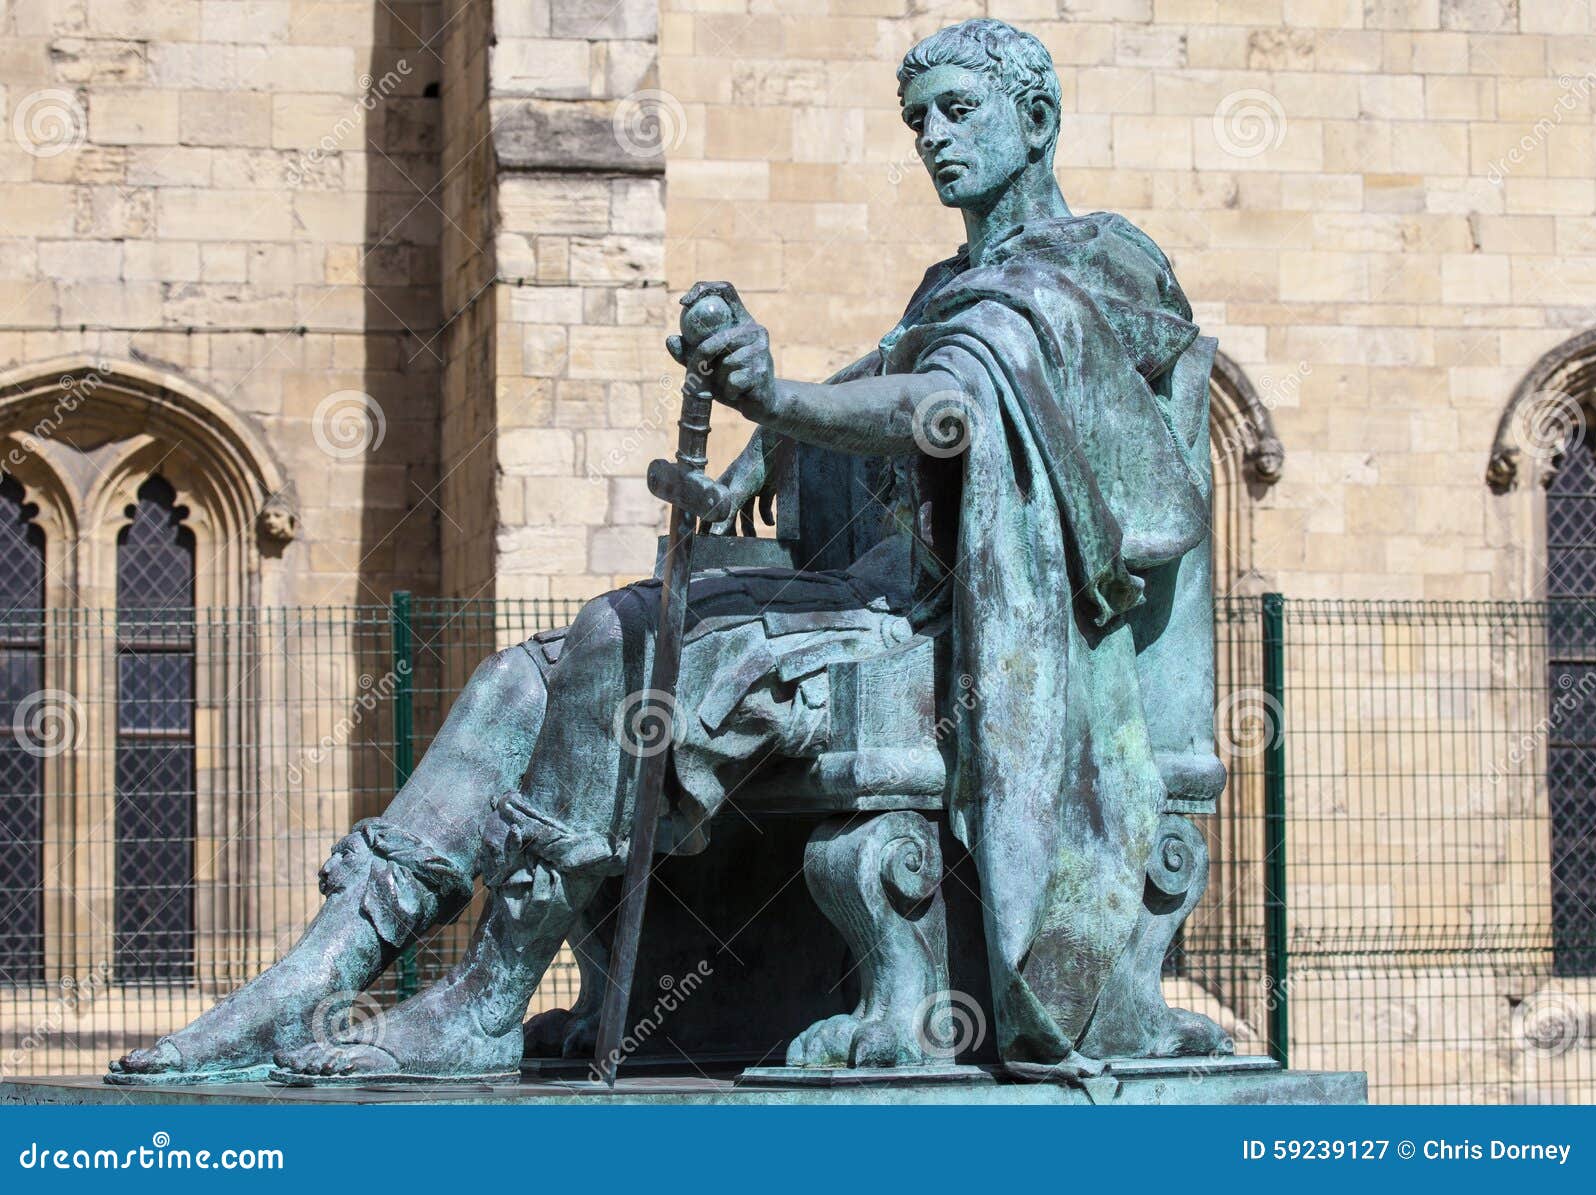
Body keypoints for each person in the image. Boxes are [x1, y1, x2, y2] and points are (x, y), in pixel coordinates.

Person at [110, 17, 1211, 1085]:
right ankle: (320, 968)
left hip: (980, 641)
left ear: (1037, 117)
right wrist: (746, 456)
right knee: (515, 680)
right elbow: (864, 392)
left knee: (618, 634)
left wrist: (778, 394)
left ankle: (486, 1001)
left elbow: (950, 409)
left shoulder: (1101, 264)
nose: (933, 138)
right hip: (884, 609)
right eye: (917, 118)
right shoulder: (946, 287)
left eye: (957, 112)